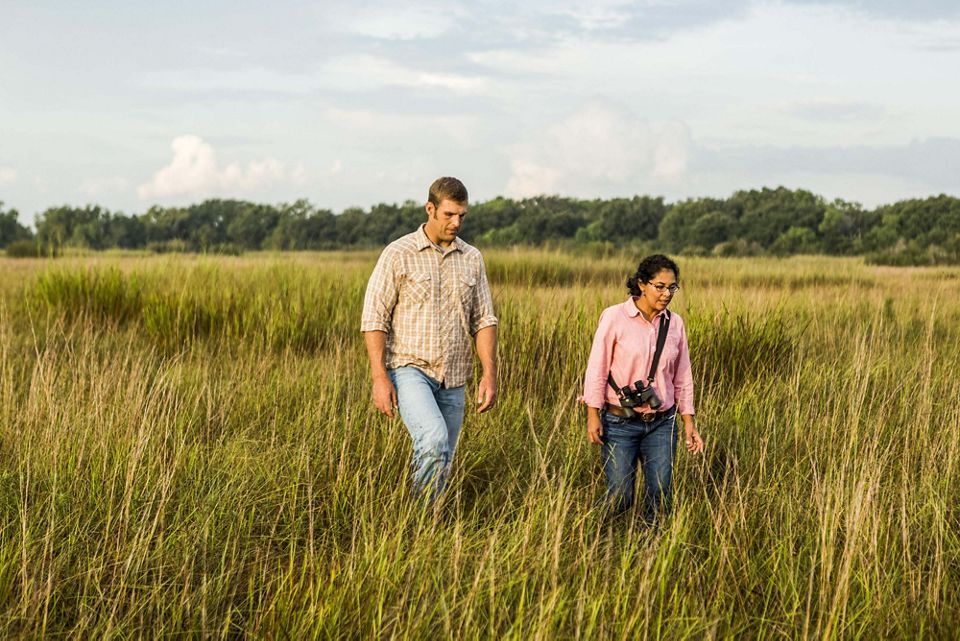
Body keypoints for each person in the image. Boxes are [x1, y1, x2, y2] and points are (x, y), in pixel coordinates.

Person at [361, 177, 499, 501]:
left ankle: (428, 524)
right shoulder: (398, 254)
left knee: (443, 457)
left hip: (454, 375)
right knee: (434, 439)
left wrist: (489, 373)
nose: (456, 222)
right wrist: (379, 377)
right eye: (449, 214)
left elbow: (484, 320)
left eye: (462, 216)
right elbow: (374, 318)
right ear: (430, 209)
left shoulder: (472, 258)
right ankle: (420, 517)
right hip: (410, 369)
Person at [581, 254, 704, 523]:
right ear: (642, 284)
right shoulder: (614, 317)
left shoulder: (675, 324)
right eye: (660, 286)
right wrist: (593, 414)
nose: (667, 293)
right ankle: (590, 536)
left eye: (672, 287)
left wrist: (689, 422)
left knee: (660, 494)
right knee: (620, 495)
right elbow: (597, 367)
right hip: (618, 421)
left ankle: (652, 551)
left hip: (662, 423)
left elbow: (683, 376)